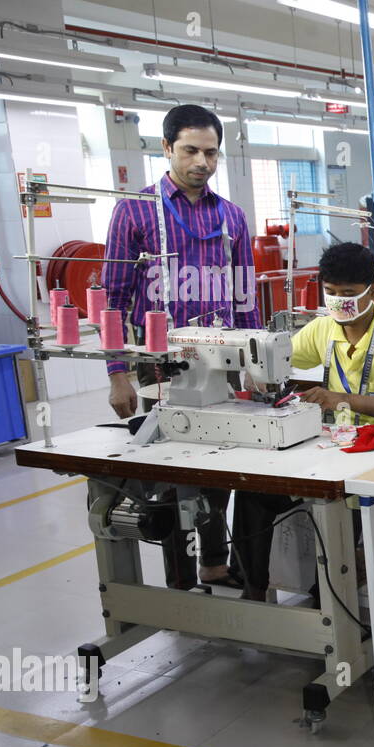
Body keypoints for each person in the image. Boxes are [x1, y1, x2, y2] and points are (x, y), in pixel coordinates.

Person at [101, 103, 259, 591]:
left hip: (221, 362)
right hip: (157, 368)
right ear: (167, 148)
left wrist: (252, 362)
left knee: (222, 465)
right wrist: (117, 372)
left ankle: (214, 561)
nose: (202, 163)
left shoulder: (231, 216)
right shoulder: (134, 210)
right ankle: (178, 580)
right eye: (191, 151)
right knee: (169, 471)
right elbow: (114, 296)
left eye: (211, 153)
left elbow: (245, 295)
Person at [233, 242, 374, 602]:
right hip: (328, 442)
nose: (339, 301)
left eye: (349, 294)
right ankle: (254, 589)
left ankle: (329, 594)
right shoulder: (323, 328)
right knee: (251, 487)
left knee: (339, 495)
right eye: (332, 293)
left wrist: (343, 399)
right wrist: (257, 373)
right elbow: (280, 356)